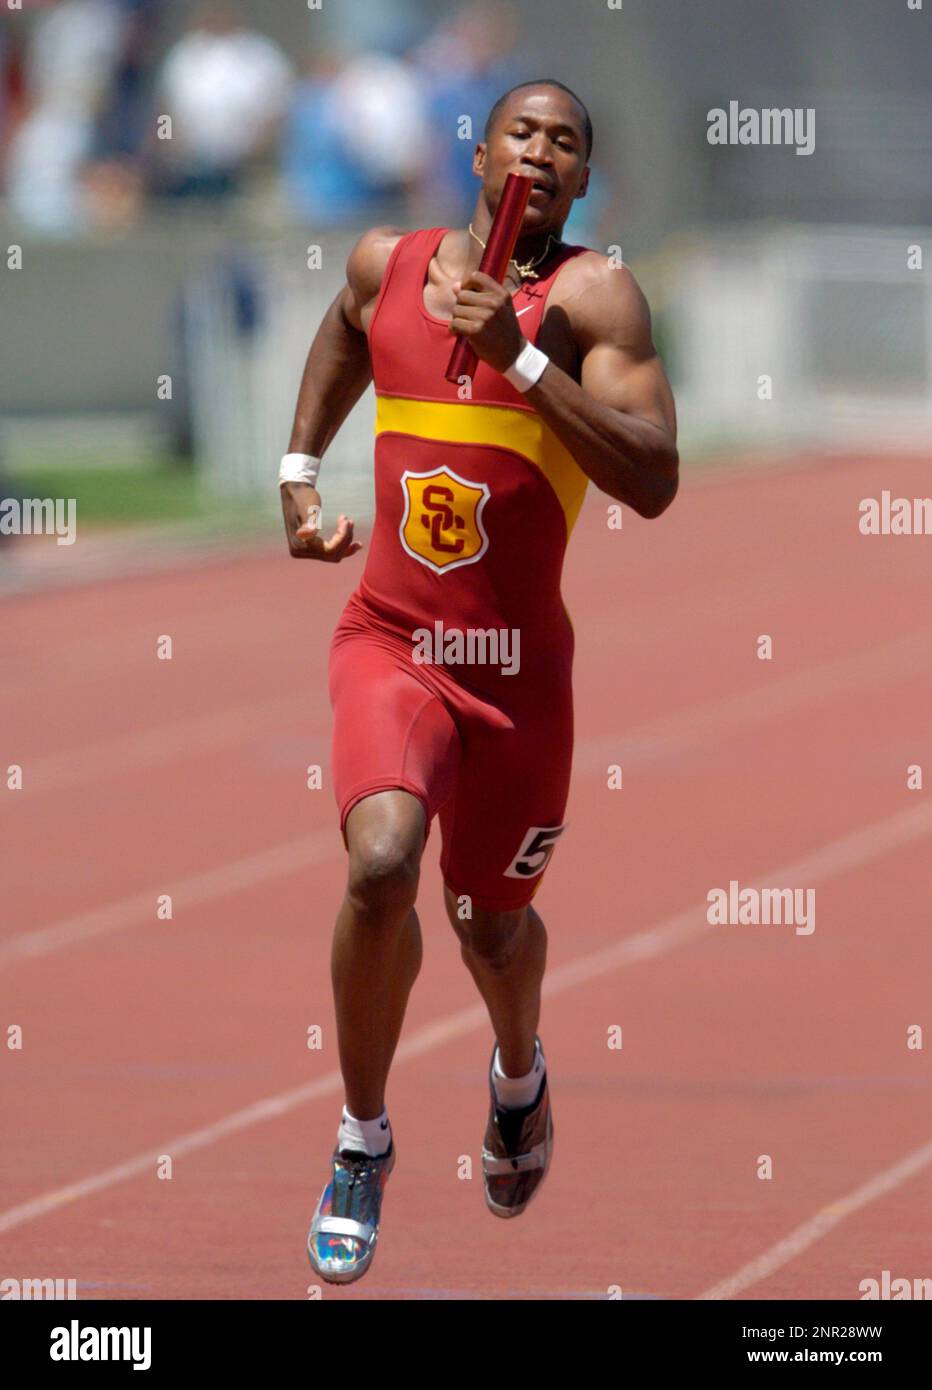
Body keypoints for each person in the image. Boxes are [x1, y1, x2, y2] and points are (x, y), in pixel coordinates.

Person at [279, 79, 678, 1285]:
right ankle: (362, 1137)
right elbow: (348, 329)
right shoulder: (386, 260)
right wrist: (301, 470)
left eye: (567, 142)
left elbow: (653, 477)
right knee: (381, 860)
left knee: (490, 929)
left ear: (583, 178)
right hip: (393, 640)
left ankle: (518, 1075)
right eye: (524, 132)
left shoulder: (592, 297)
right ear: (478, 151)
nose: (542, 152)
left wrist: (518, 359)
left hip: (513, 672)